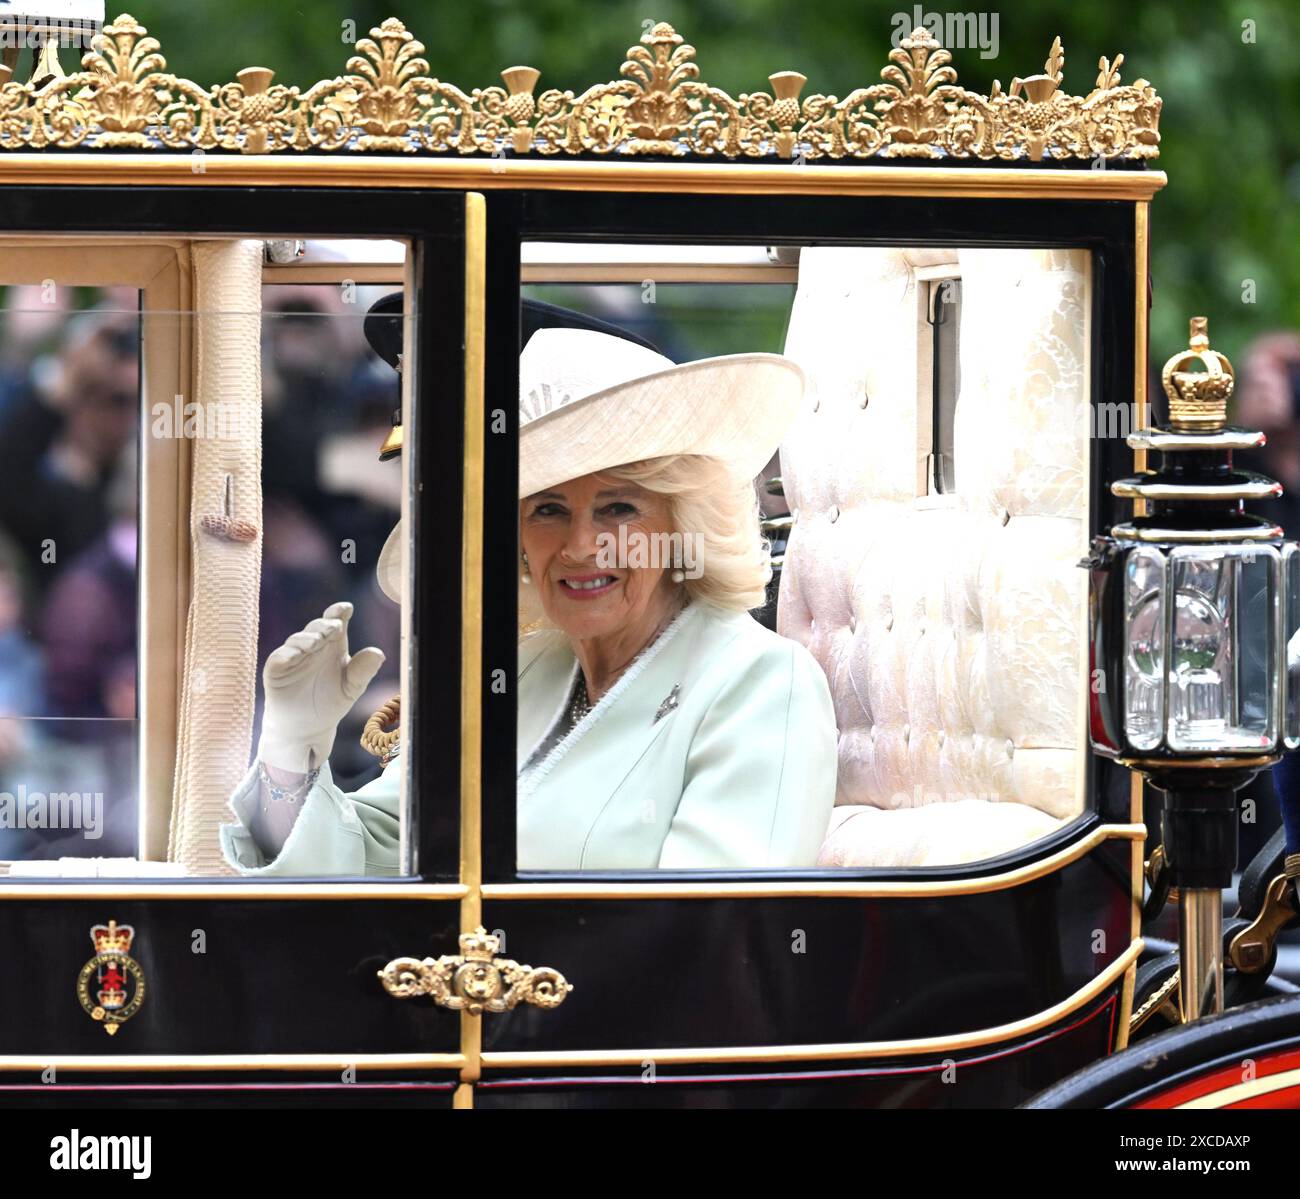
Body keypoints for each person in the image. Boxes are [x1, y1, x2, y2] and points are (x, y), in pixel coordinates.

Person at [219, 299, 838, 874]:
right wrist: (290, 750)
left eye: (619, 508)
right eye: (547, 510)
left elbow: (709, 939)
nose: (578, 546)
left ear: (683, 522)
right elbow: (368, 860)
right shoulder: (518, 676)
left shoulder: (760, 684)